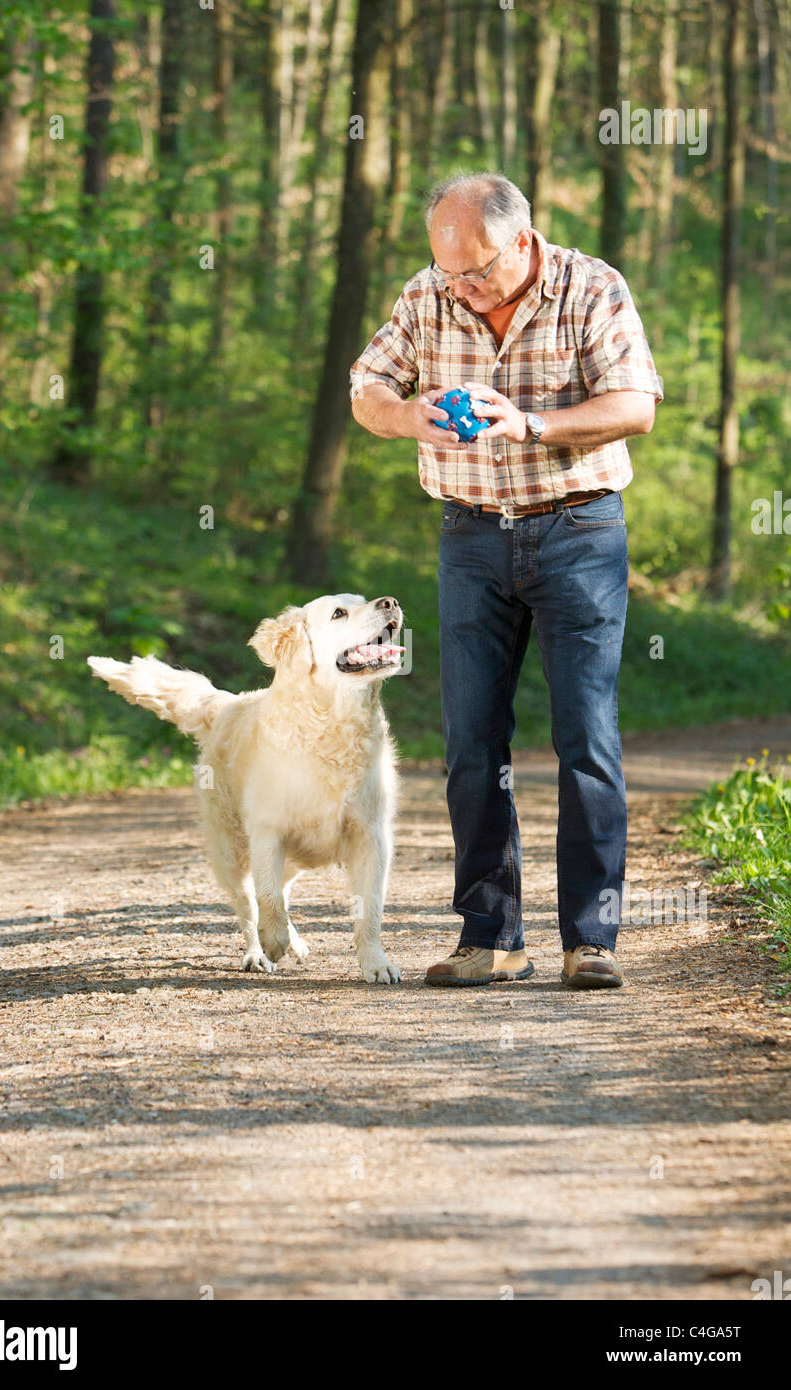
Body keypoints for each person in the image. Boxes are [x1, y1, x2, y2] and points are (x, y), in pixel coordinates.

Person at [350, 172, 663, 990]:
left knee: (584, 739)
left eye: (476, 271)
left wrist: (531, 423)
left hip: (578, 530)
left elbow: (633, 405)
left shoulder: (591, 287)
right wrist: (404, 414)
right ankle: (490, 938)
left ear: (521, 240)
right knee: (469, 743)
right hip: (470, 537)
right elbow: (367, 386)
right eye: (449, 272)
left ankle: (589, 940)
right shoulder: (427, 294)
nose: (461, 287)